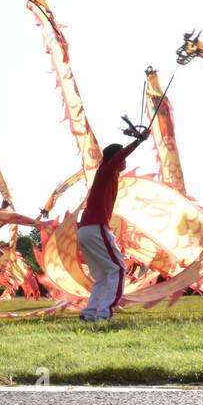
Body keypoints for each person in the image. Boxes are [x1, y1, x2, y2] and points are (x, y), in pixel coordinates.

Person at [77, 128, 149, 323]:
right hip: (96, 227)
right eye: (122, 158)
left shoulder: (105, 175)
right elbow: (119, 157)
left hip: (85, 229)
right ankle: (105, 313)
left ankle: (90, 314)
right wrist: (138, 141)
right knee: (117, 269)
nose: (125, 162)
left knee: (102, 275)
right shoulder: (107, 170)